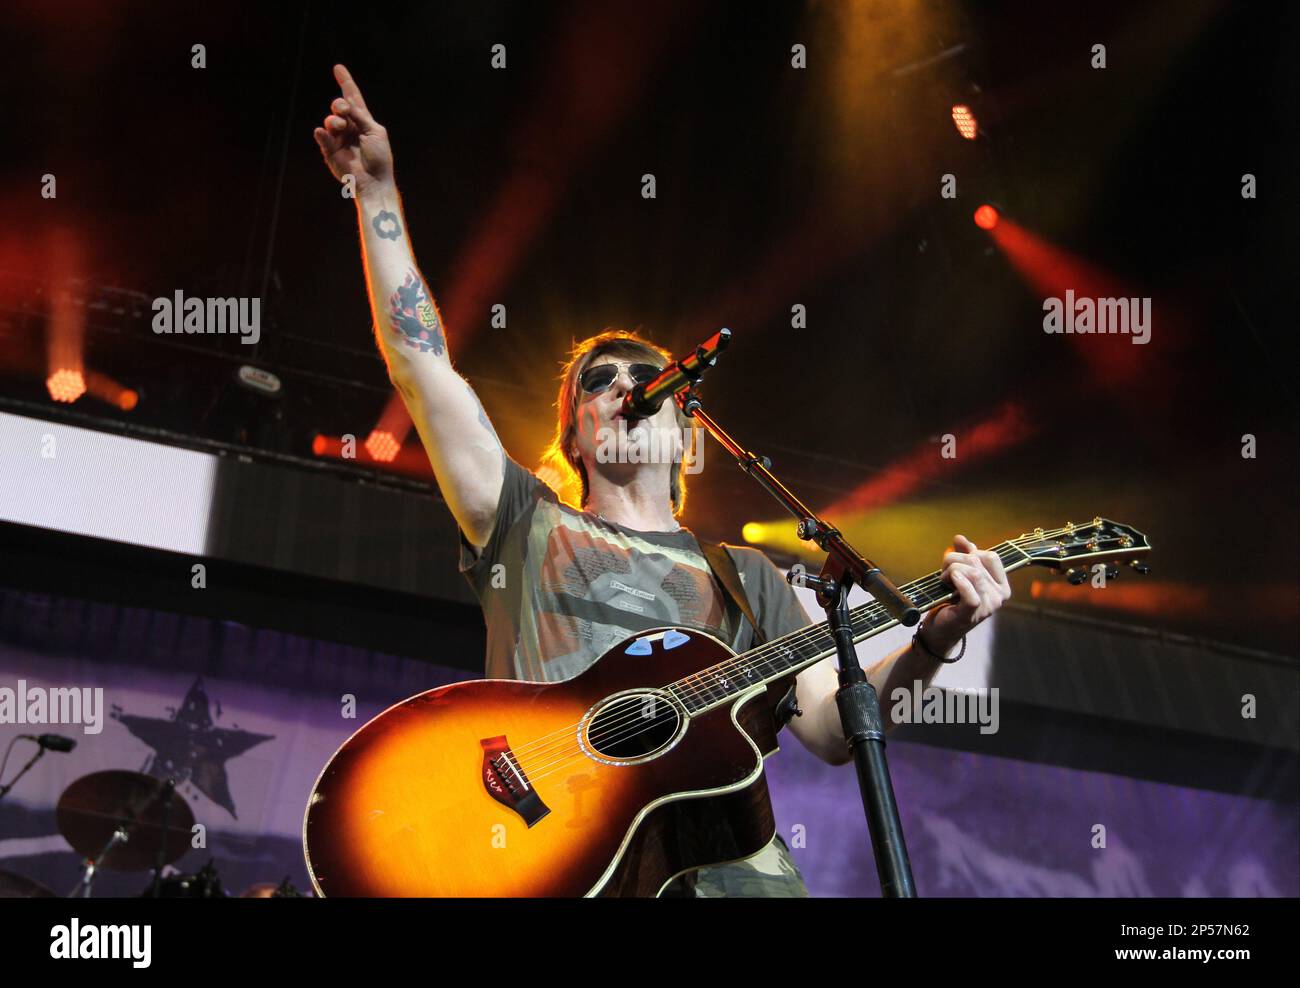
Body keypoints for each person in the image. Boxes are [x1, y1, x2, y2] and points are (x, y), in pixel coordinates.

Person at [313, 63, 1012, 896]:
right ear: (573, 429)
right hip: (570, 859)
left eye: (643, 378)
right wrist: (378, 195)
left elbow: (830, 728)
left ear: (686, 434)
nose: (621, 387)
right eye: (597, 381)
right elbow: (422, 367)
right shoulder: (526, 524)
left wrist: (934, 637)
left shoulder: (749, 584)